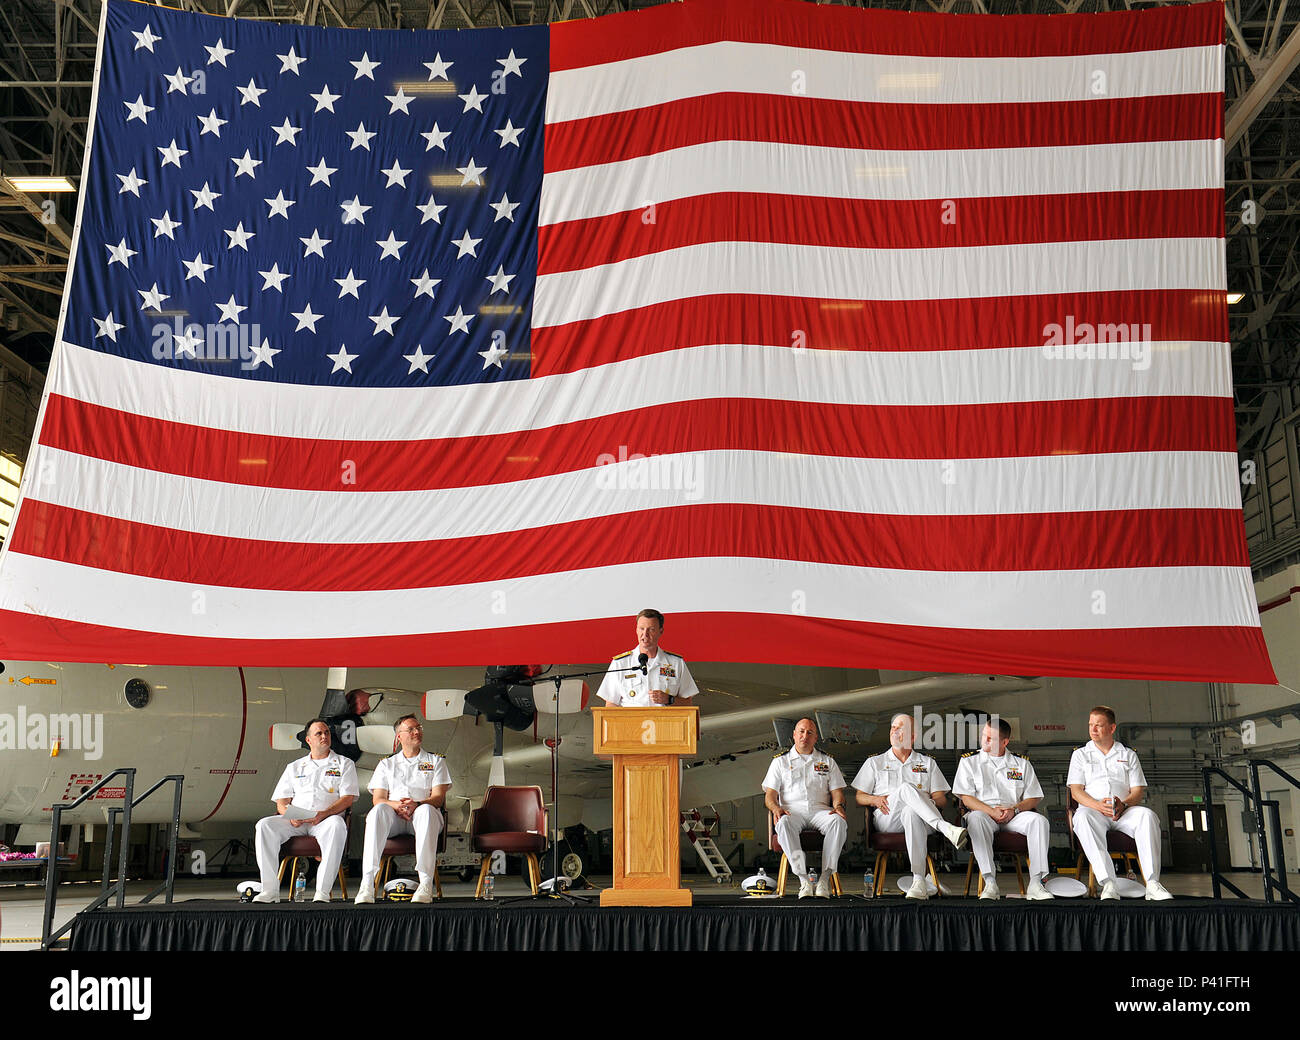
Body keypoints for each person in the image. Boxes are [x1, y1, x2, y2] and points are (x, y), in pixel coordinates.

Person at [851, 713, 968, 900]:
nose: (895, 731)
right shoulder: (875, 762)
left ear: (913, 737)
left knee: (911, 811)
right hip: (888, 818)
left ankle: (918, 880)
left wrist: (925, 802)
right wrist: (874, 800)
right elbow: (859, 797)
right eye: (893, 728)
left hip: (922, 820)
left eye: (901, 728)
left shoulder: (927, 763)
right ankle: (945, 828)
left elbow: (941, 799)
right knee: (906, 789)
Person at [1068, 706, 1173, 901]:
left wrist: (1123, 804)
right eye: (1090, 725)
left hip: (1124, 812)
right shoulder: (1080, 755)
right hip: (1095, 811)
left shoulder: (1128, 754)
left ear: (1112, 728)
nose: (1093, 729)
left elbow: (1137, 791)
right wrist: (1097, 805)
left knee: (1148, 816)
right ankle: (1108, 883)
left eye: (1098, 725)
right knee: (1081, 817)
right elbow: (1076, 791)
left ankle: (1152, 883)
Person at [253, 719, 358, 903]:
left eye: (326, 732)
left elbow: (348, 798)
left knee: (337, 825)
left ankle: (322, 892)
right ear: (308, 740)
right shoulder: (294, 766)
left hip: (326, 819)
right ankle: (269, 890)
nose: (324, 736)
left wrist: (324, 814)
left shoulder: (344, 763)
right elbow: (282, 801)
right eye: (319, 733)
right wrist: (290, 815)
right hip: (297, 820)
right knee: (264, 825)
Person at [354, 715, 452, 904]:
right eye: (412, 729)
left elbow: (438, 798)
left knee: (427, 811)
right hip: (395, 818)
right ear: (399, 736)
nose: (417, 732)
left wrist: (417, 804)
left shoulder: (435, 761)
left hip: (423, 816)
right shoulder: (386, 764)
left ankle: (424, 883)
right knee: (377, 812)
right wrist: (396, 806)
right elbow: (378, 798)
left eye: (419, 728)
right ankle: (367, 883)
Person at [953, 718, 1053, 900]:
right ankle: (990, 882)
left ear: (1005, 742)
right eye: (984, 736)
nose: (985, 741)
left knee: (1040, 821)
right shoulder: (969, 762)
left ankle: (1036, 883)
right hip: (984, 814)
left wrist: (1014, 810)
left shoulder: (1021, 763)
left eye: (991, 738)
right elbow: (966, 798)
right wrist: (991, 812)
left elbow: (1034, 797)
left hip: (1013, 815)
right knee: (974, 819)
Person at [762, 717, 848, 899]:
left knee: (838, 822)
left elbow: (837, 793)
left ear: (816, 737)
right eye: (801, 731)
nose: (805, 736)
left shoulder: (827, 761)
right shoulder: (780, 762)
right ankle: (803, 880)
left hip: (820, 810)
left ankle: (824, 879)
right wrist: (776, 808)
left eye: (810, 732)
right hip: (792, 811)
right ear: (794, 735)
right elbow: (769, 796)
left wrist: (838, 806)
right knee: (783, 823)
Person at [596, 608, 699, 706]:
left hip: (666, 723)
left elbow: (687, 702)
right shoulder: (620, 663)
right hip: (631, 723)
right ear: (636, 630)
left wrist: (669, 699)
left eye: (651, 630)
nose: (645, 634)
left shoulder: (676, 663)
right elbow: (610, 704)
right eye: (641, 629)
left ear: (661, 631)